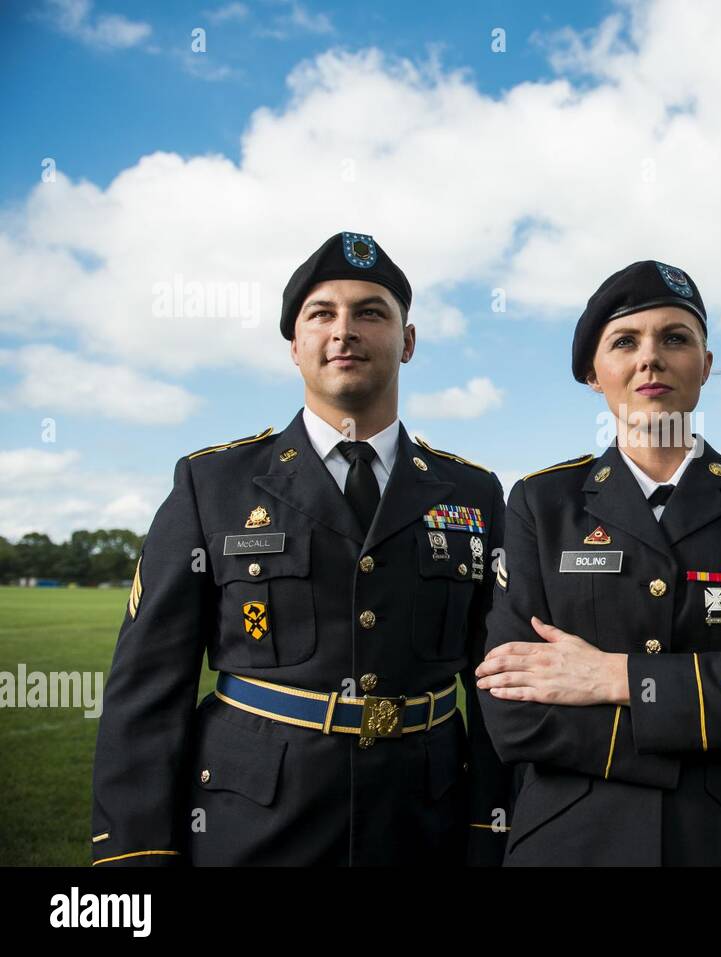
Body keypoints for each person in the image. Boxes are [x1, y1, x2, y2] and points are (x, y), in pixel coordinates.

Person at [90, 231, 512, 866]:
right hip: (253, 827)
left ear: (409, 341)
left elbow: (498, 685)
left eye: (371, 312)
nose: (344, 330)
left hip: (423, 822)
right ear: (295, 346)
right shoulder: (214, 484)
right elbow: (148, 687)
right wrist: (136, 857)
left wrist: (490, 830)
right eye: (322, 314)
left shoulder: (474, 493)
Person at [474, 260, 721, 865]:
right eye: (625, 341)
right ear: (594, 375)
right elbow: (513, 715)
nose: (650, 358)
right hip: (574, 842)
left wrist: (611, 678)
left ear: (704, 366)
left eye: (675, 338)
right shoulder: (541, 505)